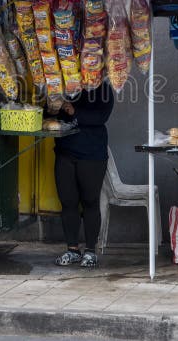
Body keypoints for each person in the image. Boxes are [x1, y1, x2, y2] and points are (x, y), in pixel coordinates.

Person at [50, 82, 114, 268]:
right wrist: (53, 106)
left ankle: (91, 251)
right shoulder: (63, 83)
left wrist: (73, 111)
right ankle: (72, 250)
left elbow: (102, 116)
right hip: (64, 151)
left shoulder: (102, 88)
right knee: (68, 201)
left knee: (90, 201)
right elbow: (52, 114)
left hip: (92, 153)